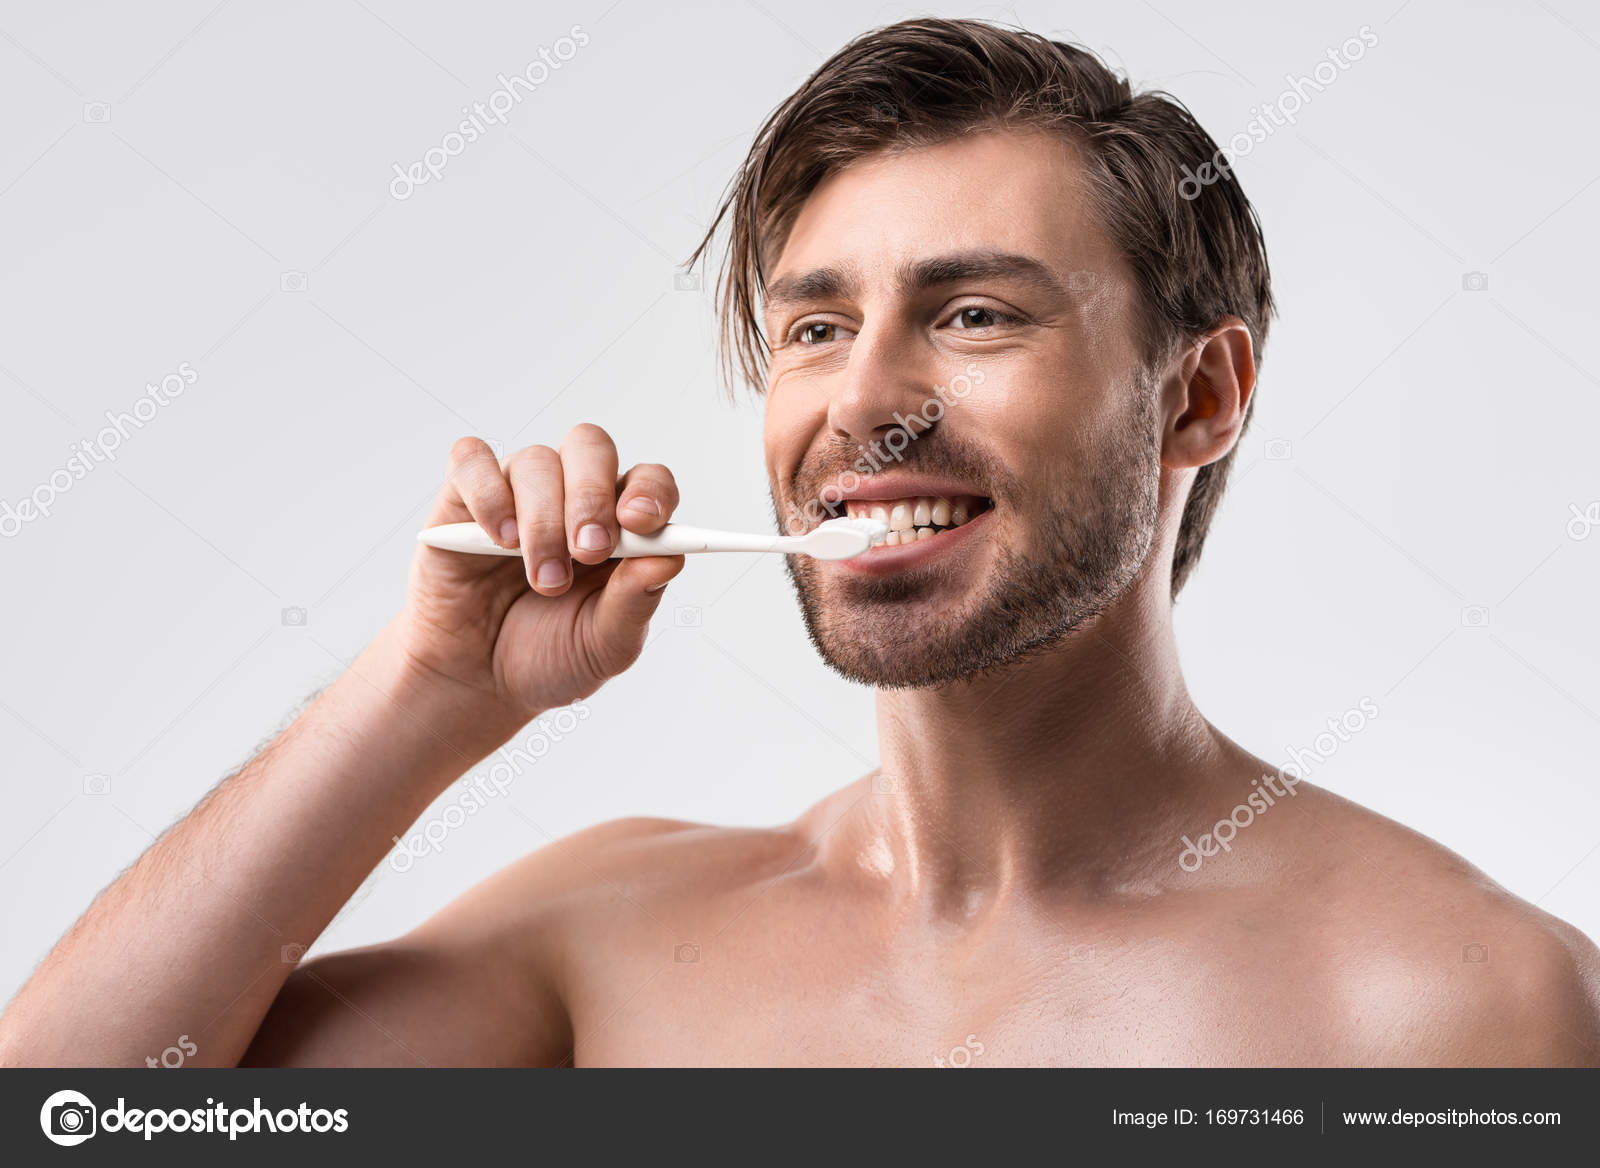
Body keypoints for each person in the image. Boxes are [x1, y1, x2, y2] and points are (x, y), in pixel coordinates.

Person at [4, 18, 1596, 1067]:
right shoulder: (605, 953)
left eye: (973, 314)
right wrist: (425, 693)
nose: (867, 406)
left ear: (1200, 396)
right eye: (816, 327)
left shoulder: (1461, 1007)